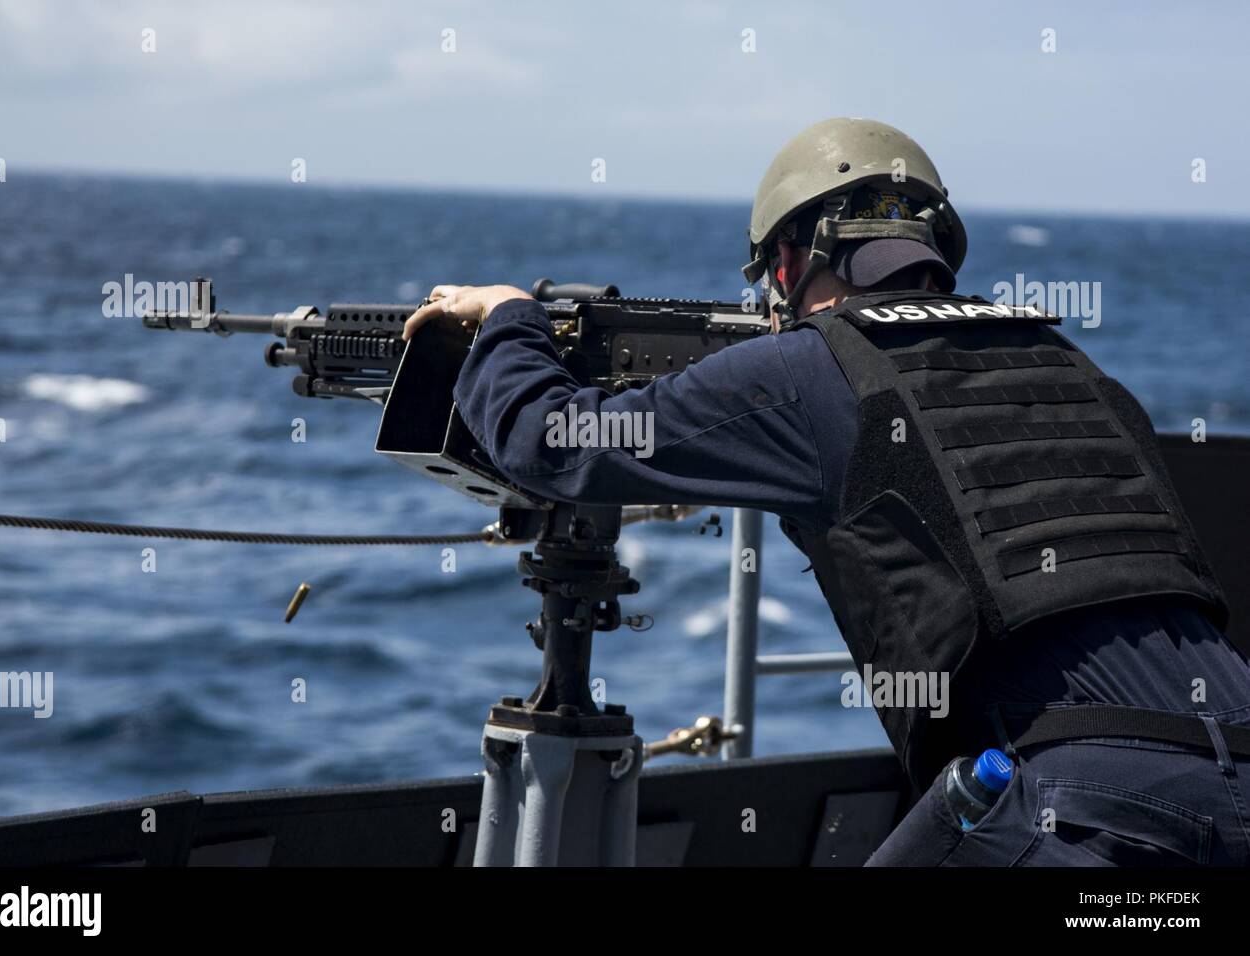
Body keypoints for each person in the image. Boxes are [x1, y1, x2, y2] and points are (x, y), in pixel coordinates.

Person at [403, 118, 1250, 866]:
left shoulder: (816, 366)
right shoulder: (1078, 370)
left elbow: (551, 443)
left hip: (1086, 809)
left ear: (786, 262)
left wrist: (511, 317)